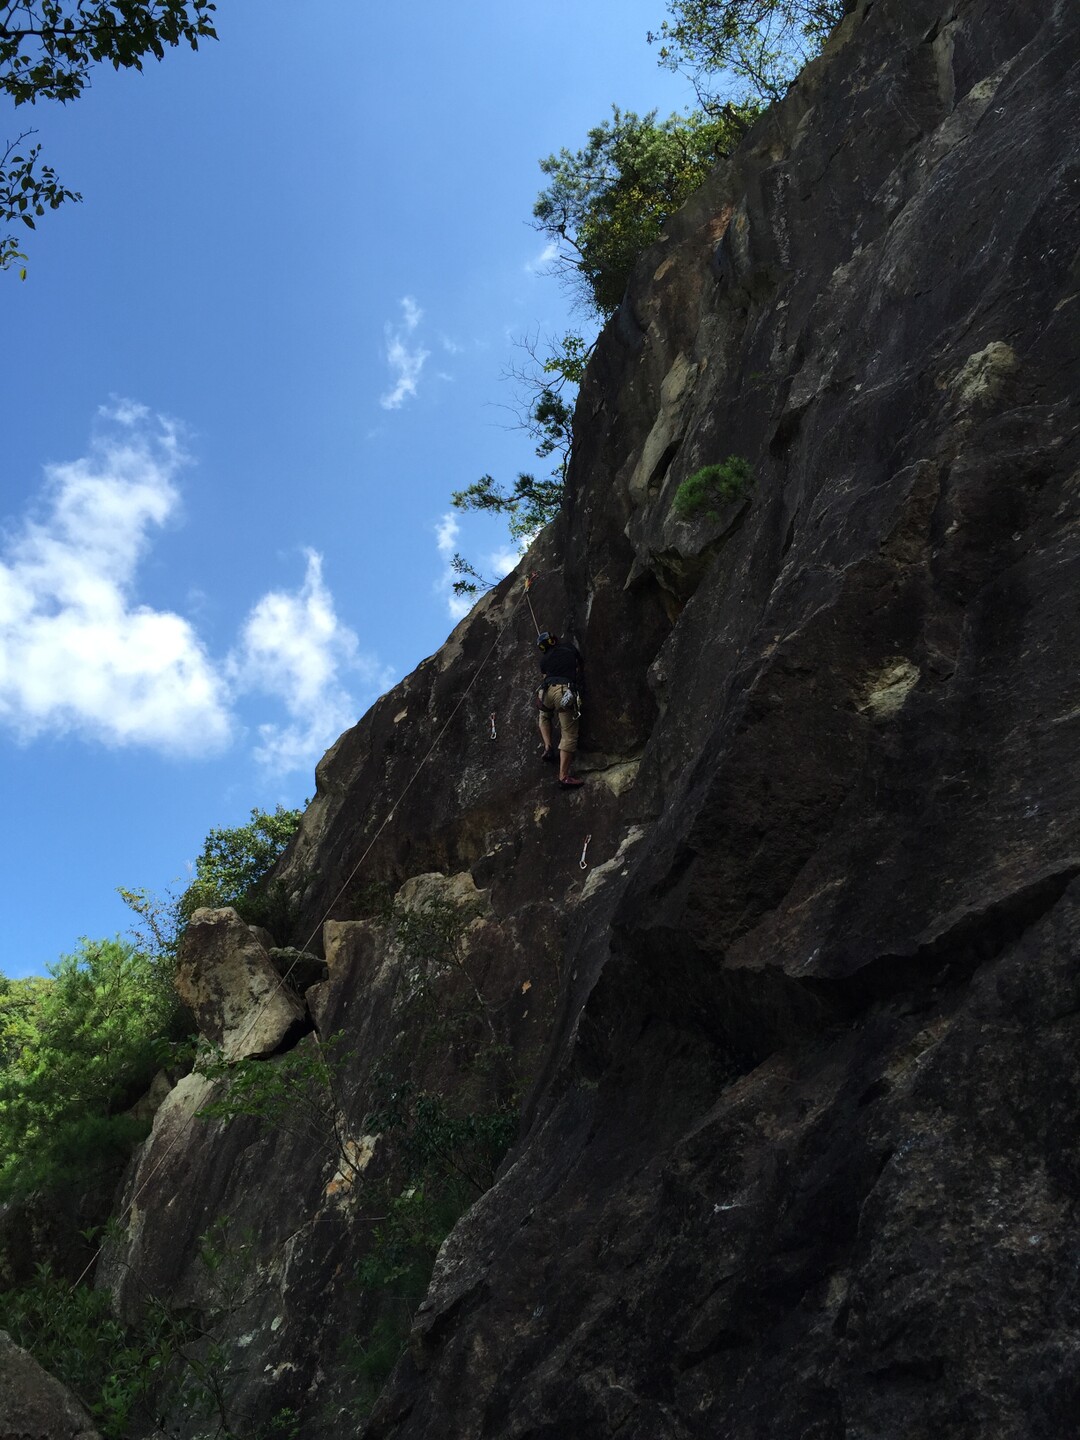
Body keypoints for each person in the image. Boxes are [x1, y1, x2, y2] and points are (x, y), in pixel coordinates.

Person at [535, 631, 584, 788]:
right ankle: (563, 777)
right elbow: (579, 665)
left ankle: (548, 746)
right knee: (569, 733)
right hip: (563, 690)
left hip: (546, 692)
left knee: (544, 715)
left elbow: (544, 676)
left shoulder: (544, 660)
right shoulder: (568, 647)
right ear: (554, 641)